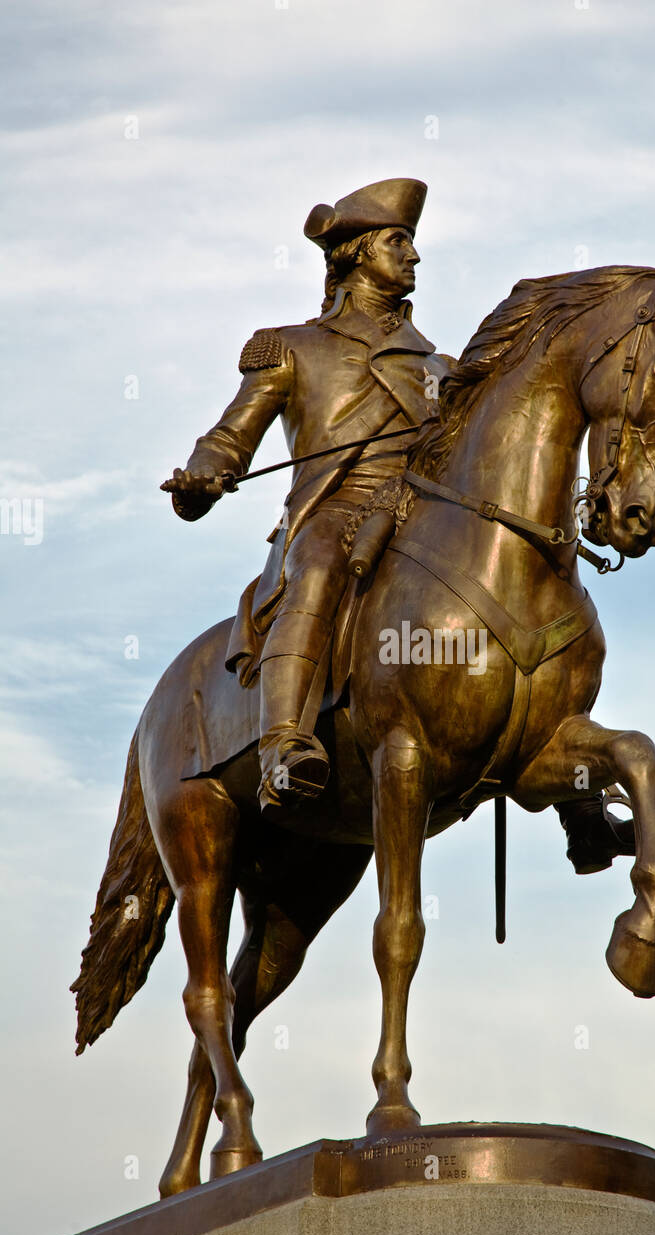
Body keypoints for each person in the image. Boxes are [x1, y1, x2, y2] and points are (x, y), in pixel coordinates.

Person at [169, 178, 455, 815]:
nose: (414, 256)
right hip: (336, 509)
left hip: (422, 515)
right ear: (355, 253)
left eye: (411, 242)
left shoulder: (441, 369)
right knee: (321, 563)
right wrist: (202, 476)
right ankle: (282, 745)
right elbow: (231, 435)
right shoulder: (291, 346)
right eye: (399, 242)